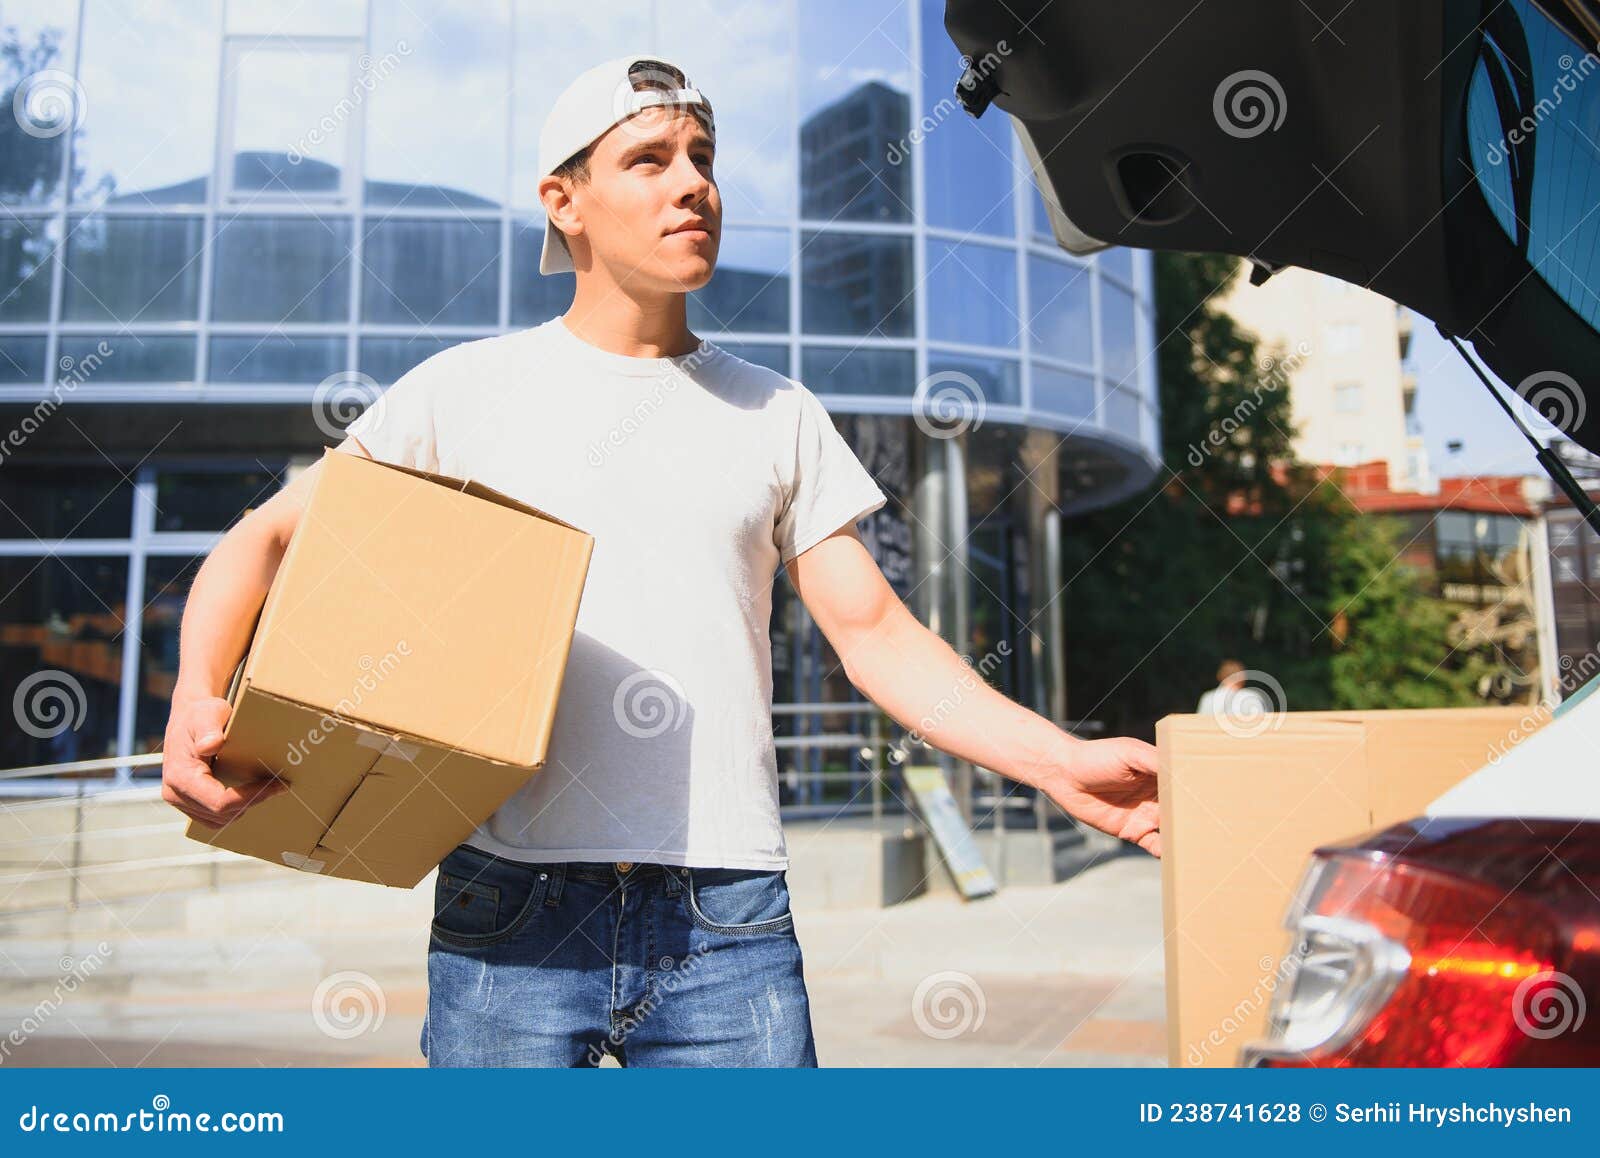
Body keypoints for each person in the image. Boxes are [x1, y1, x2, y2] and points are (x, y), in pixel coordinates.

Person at [159, 55, 1161, 1069]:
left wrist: (1061, 766)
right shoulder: (465, 390)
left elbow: (877, 639)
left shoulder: (779, 414)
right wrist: (198, 694)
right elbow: (267, 538)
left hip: (724, 921)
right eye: (649, 159)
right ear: (566, 203)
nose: (694, 184)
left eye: (703, 157)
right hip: (509, 907)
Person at [1197, 659, 1271, 718]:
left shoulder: (1207, 698)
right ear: (1242, 677)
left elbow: (1199, 723)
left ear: (1220, 676)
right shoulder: (1251, 697)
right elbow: (1263, 723)